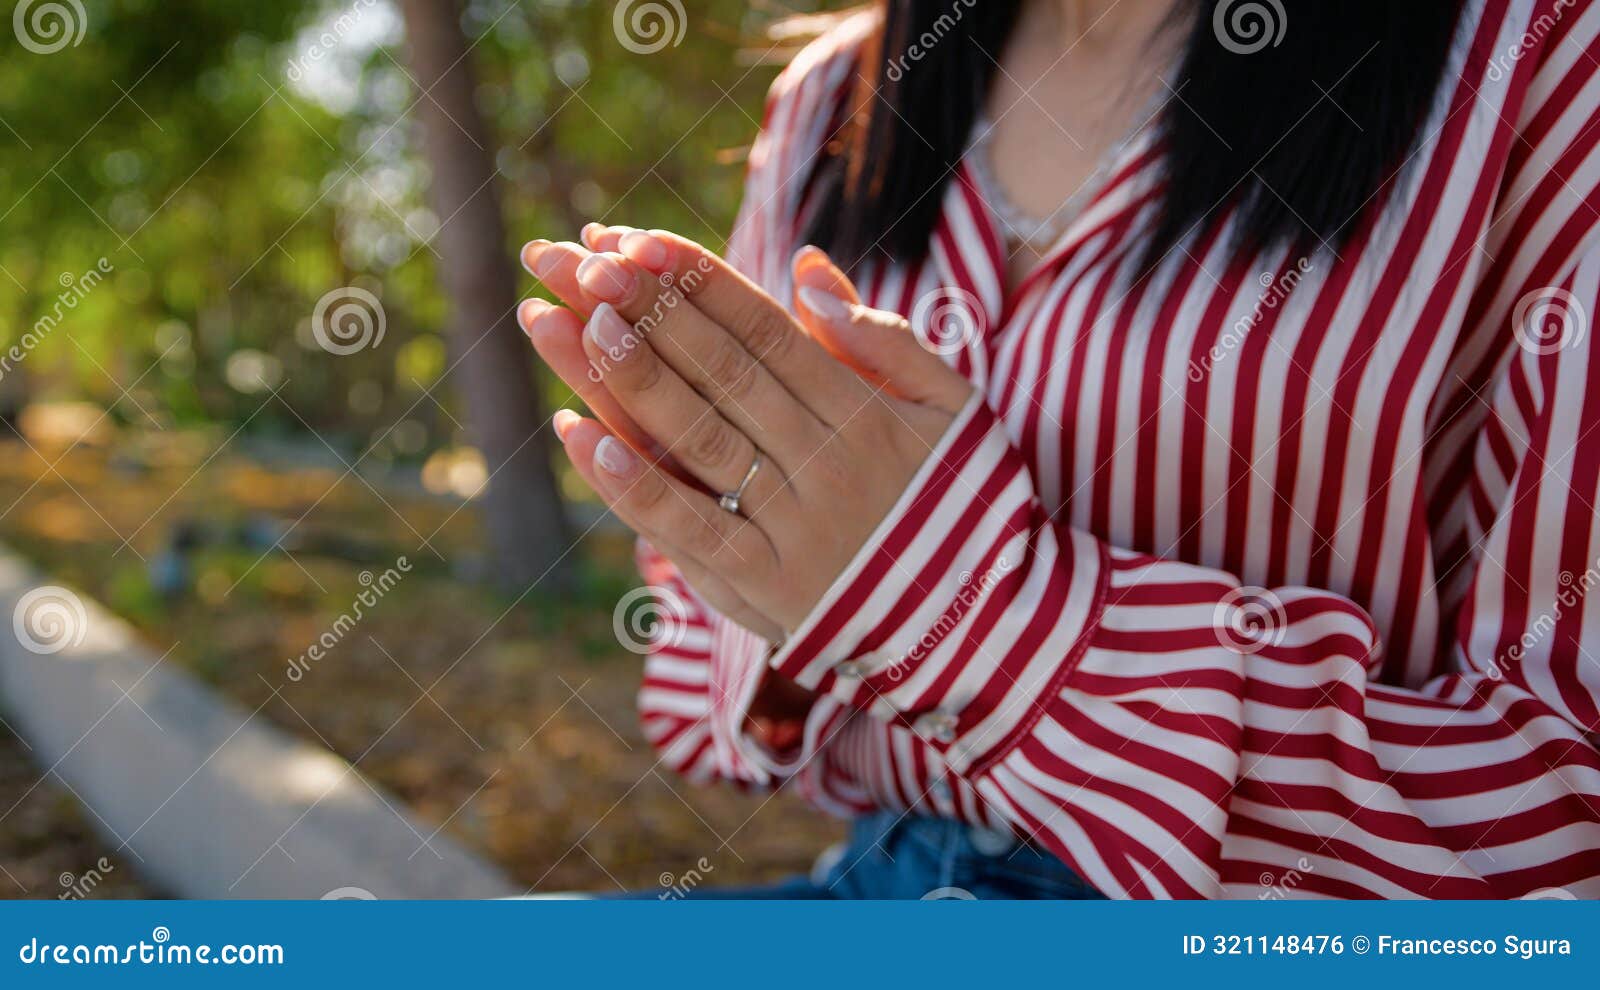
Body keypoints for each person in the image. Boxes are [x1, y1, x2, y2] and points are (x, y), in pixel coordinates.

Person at [517, 0, 1600, 898]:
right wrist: (767, 558)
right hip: (880, 880)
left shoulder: (1540, 57)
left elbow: (1569, 810)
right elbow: (707, 680)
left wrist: (959, 613)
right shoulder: (825, 101)